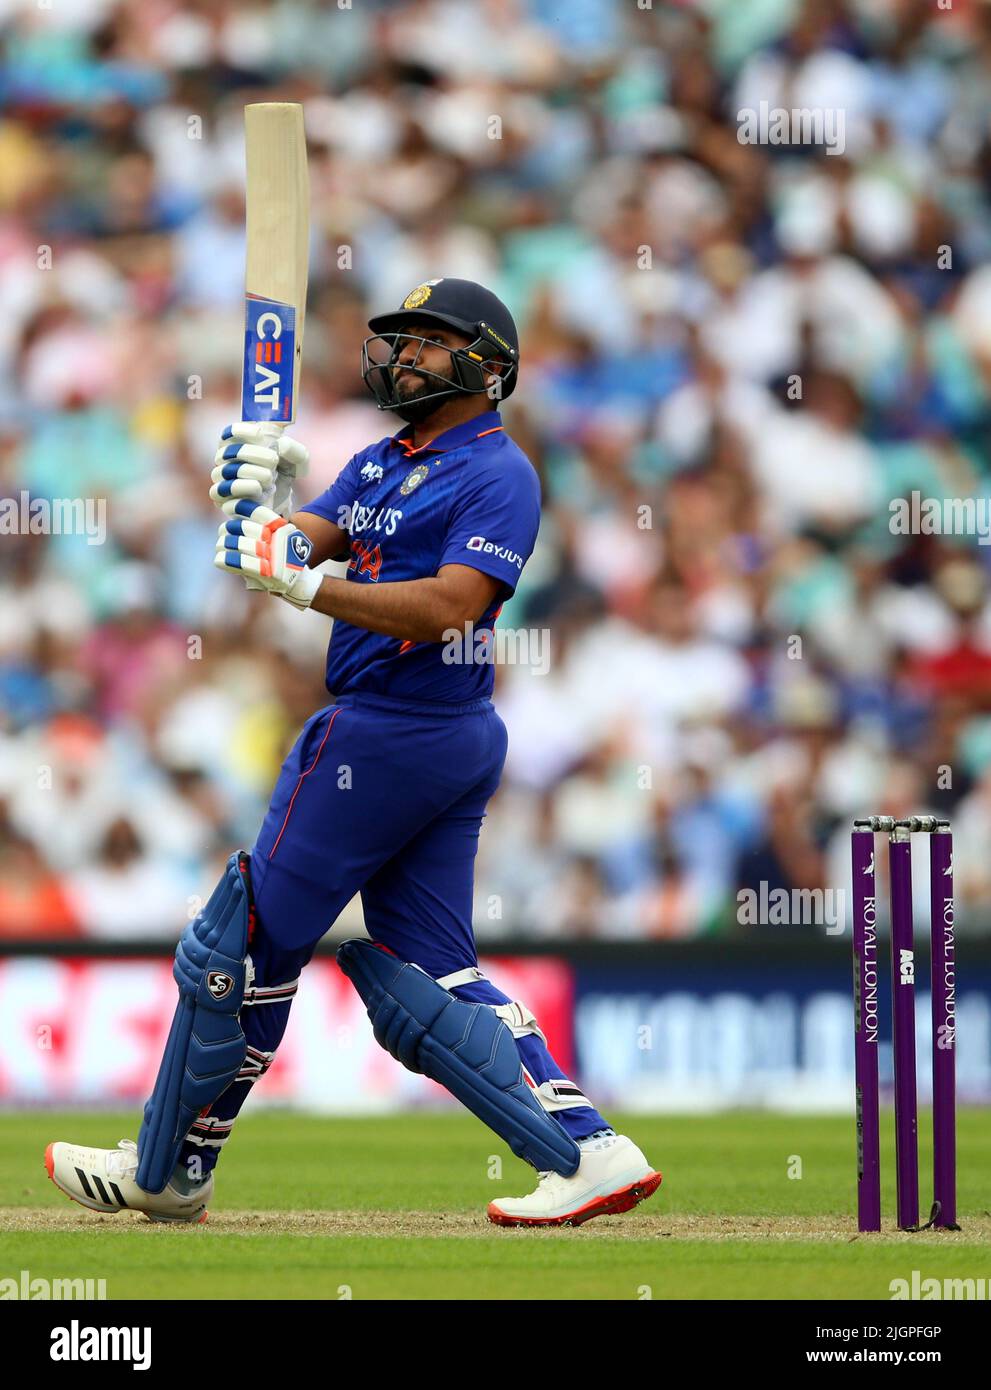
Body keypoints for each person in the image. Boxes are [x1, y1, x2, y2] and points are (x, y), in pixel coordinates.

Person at [45, 278, 661, 1227]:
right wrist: (258, 503)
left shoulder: (498, 472)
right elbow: (284, 550)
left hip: (394, 730)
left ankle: (168, 1167)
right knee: (431, 968)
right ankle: (587, 1151)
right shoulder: (381, 460)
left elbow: (450, 604)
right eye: (400, 340)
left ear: (487, 368)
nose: (405, 356)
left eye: (429, 342)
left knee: (242, 946)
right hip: (425, 735)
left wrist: (305, 587)